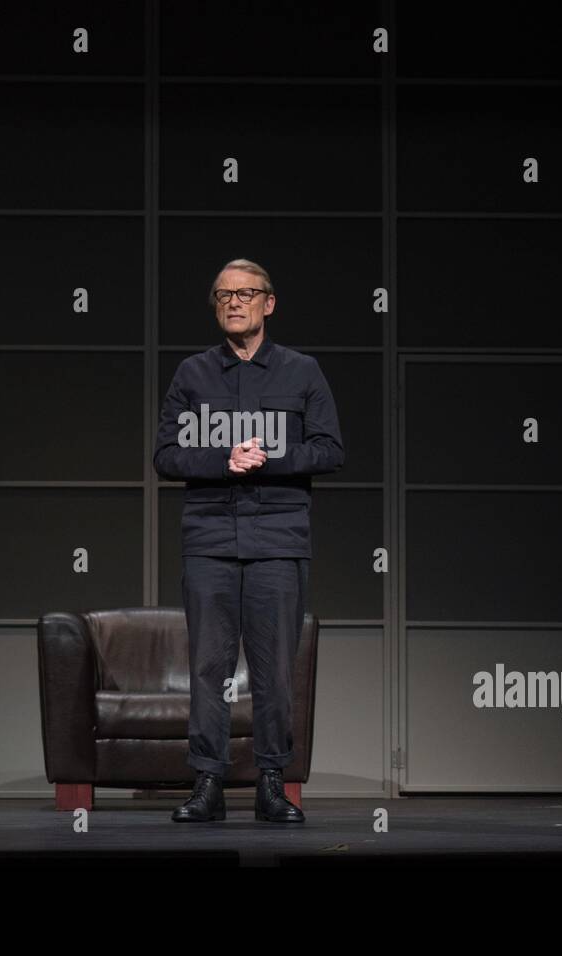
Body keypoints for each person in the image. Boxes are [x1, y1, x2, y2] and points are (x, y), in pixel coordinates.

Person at [153, 258, 344, 823]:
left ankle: (270, 782)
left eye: (246, 293)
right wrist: (223, 459)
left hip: (278, 541)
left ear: (269, 303)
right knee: (209, 668)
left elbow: (331, 449)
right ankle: (207, 784)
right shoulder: (192, 374)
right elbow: (165, 455)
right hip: (209, 539)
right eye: (223, 295)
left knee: (274, 671)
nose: (234, 302)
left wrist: (272, 456)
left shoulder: (302, 371)